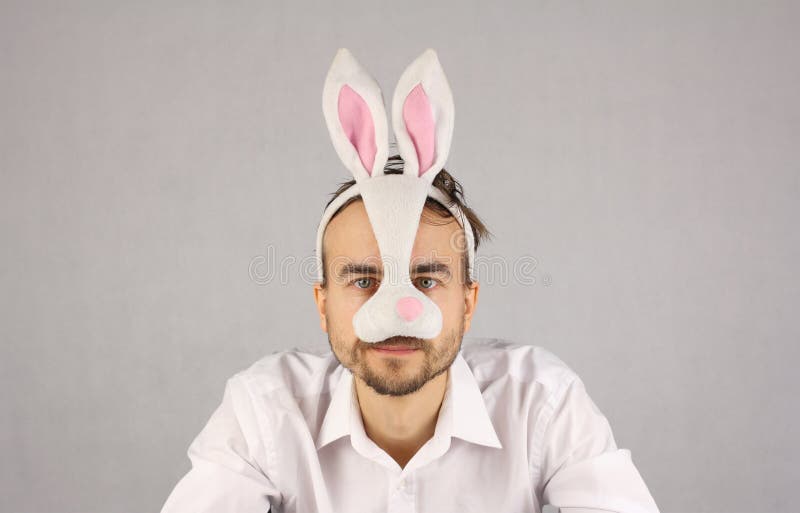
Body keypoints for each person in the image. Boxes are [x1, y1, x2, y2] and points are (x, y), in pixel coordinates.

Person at [159, 48, 660, 513]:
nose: (397, 313)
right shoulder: (264, 412)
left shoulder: (542, 403)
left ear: (468, 302)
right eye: (361, 280)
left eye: (426, 280)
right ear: (322, 302)